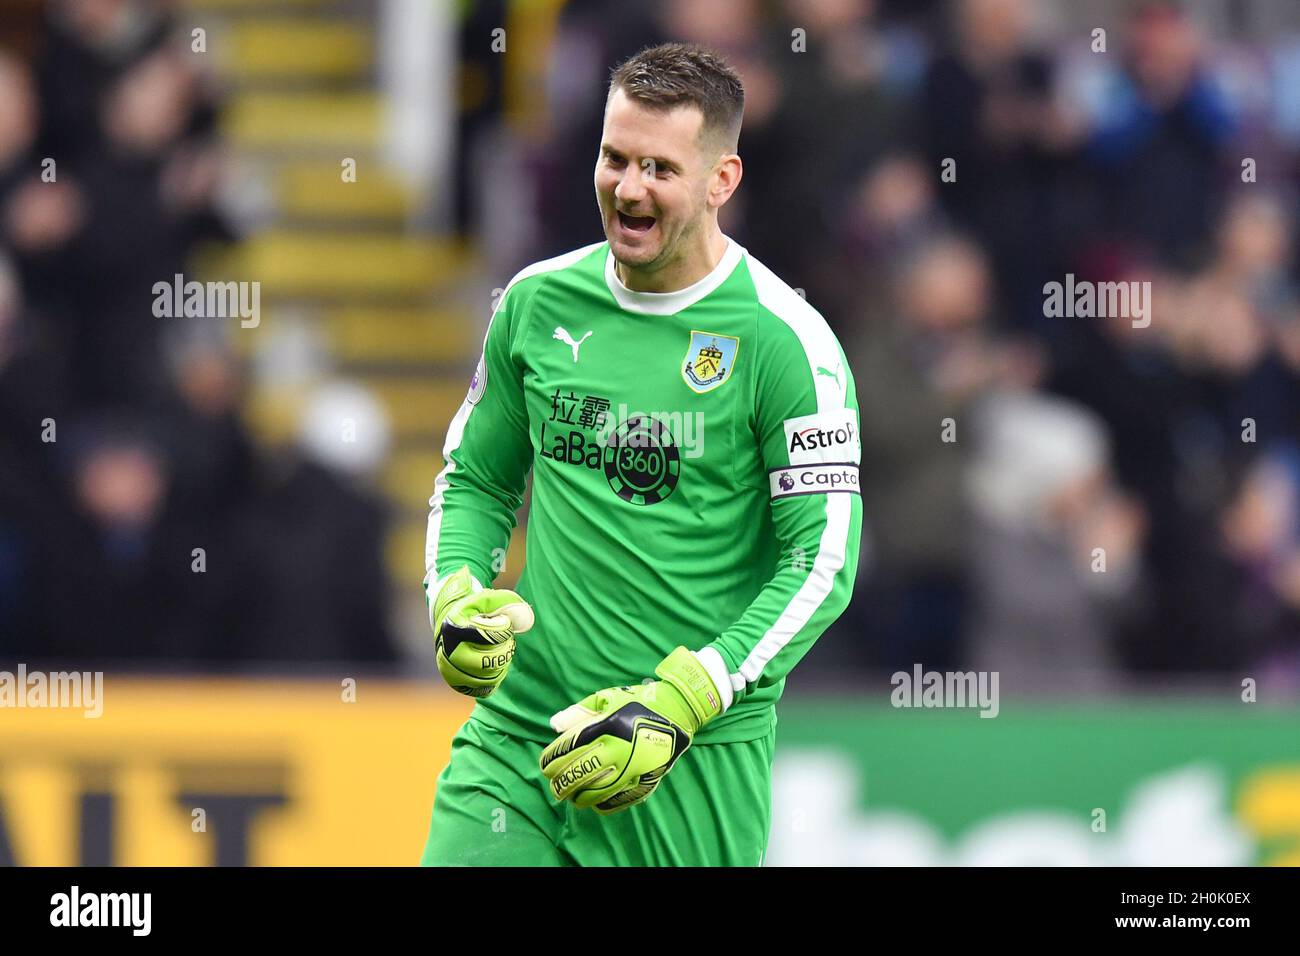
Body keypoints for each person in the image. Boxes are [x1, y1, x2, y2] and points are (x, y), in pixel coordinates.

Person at [419, 42, 861, 867]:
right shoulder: (535, 301)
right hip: (521, 735)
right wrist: (455, 589)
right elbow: (477, 477)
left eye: (658, 168)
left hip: (687, 762)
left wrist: (682, 700)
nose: (628, 189)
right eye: (614, 158)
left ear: (720, 181)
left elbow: (821, 562)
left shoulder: (786, 344)